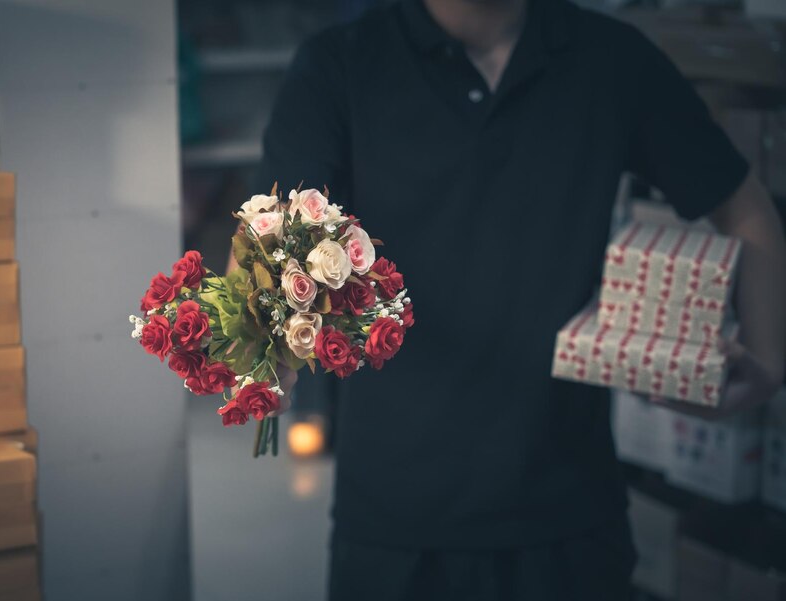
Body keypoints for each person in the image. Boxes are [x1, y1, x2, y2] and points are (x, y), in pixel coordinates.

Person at [236, 0, 786, 598]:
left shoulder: (611, 57)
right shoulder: (340, 62)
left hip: (568, 508)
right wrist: (267, 345)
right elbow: (276, 230)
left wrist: (770, 359)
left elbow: (744, 203)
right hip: (398, 518)